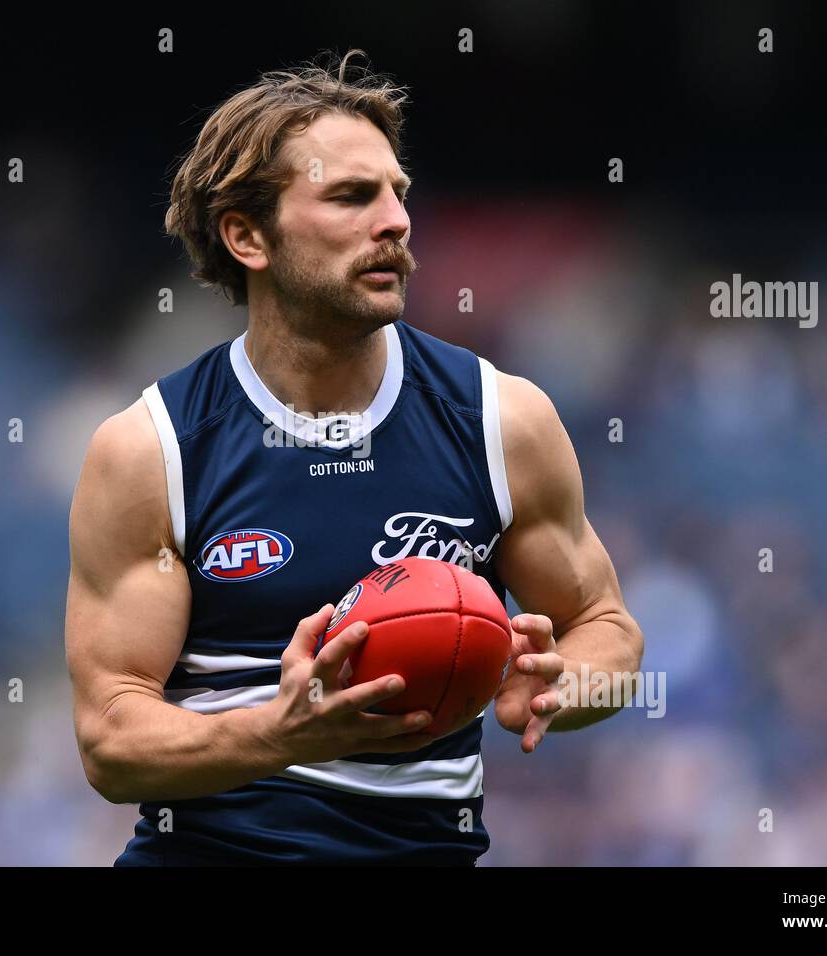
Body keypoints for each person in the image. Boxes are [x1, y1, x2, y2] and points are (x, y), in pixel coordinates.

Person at [64, 50, 643, 865]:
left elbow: (609, 632)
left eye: (398, 194)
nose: (397, 221)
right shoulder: (150, 449)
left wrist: (559, 679)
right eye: (351, 196)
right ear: (246, 236)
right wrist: (280, 734)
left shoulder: (501, 420)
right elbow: (110, 741)